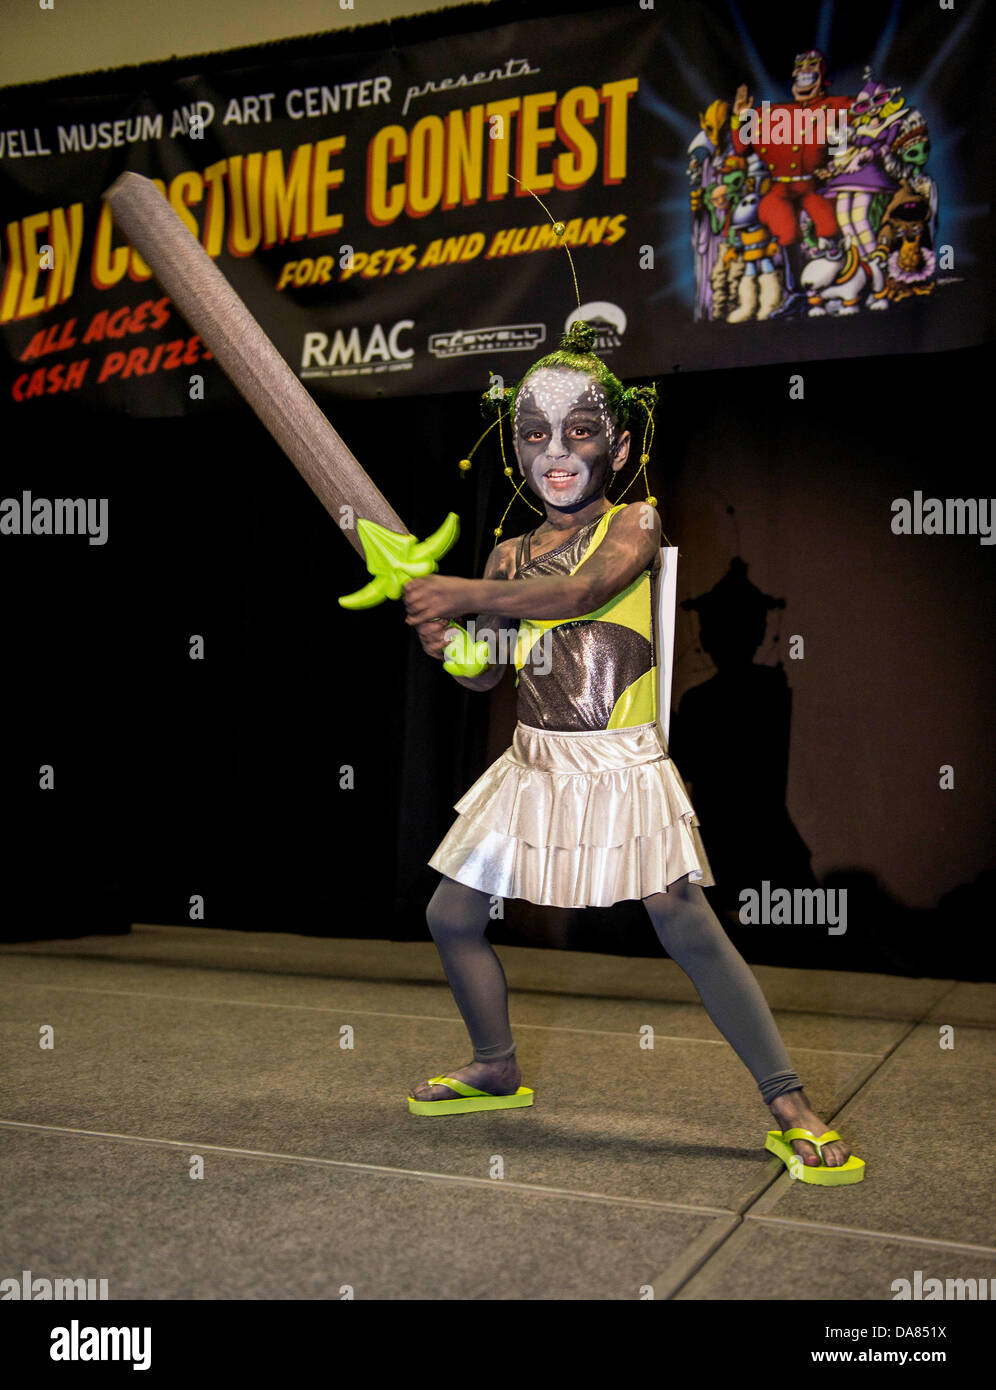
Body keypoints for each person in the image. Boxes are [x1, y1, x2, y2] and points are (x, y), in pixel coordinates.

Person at [401, 322, 862, 1181]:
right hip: (535, 765)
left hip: (618, 761)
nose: (557, 453)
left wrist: (458, 590)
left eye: (579, 432)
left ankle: (790, 1102)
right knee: (451, 915)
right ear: (516, 449)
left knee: (684, 922)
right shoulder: (507, 552)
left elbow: (582, 591)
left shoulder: (634, 523)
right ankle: (496, 1065)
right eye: (535, 434)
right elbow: (489, 672)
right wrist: (454, 648)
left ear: (615, 443)